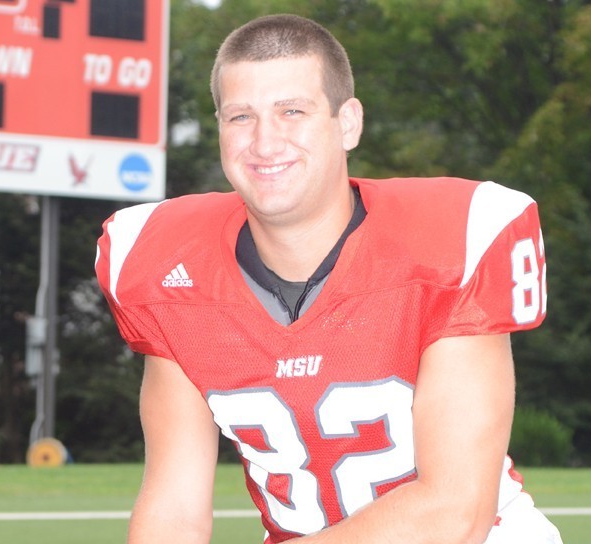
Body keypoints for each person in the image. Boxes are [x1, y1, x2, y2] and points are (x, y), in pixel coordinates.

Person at [95, 13, 563, 544]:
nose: (265, 142)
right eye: (240, 117)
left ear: (347, 123)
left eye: (292, 111)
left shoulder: (447, 244)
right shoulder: (171, 272)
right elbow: (174, 509)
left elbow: (453, 512)